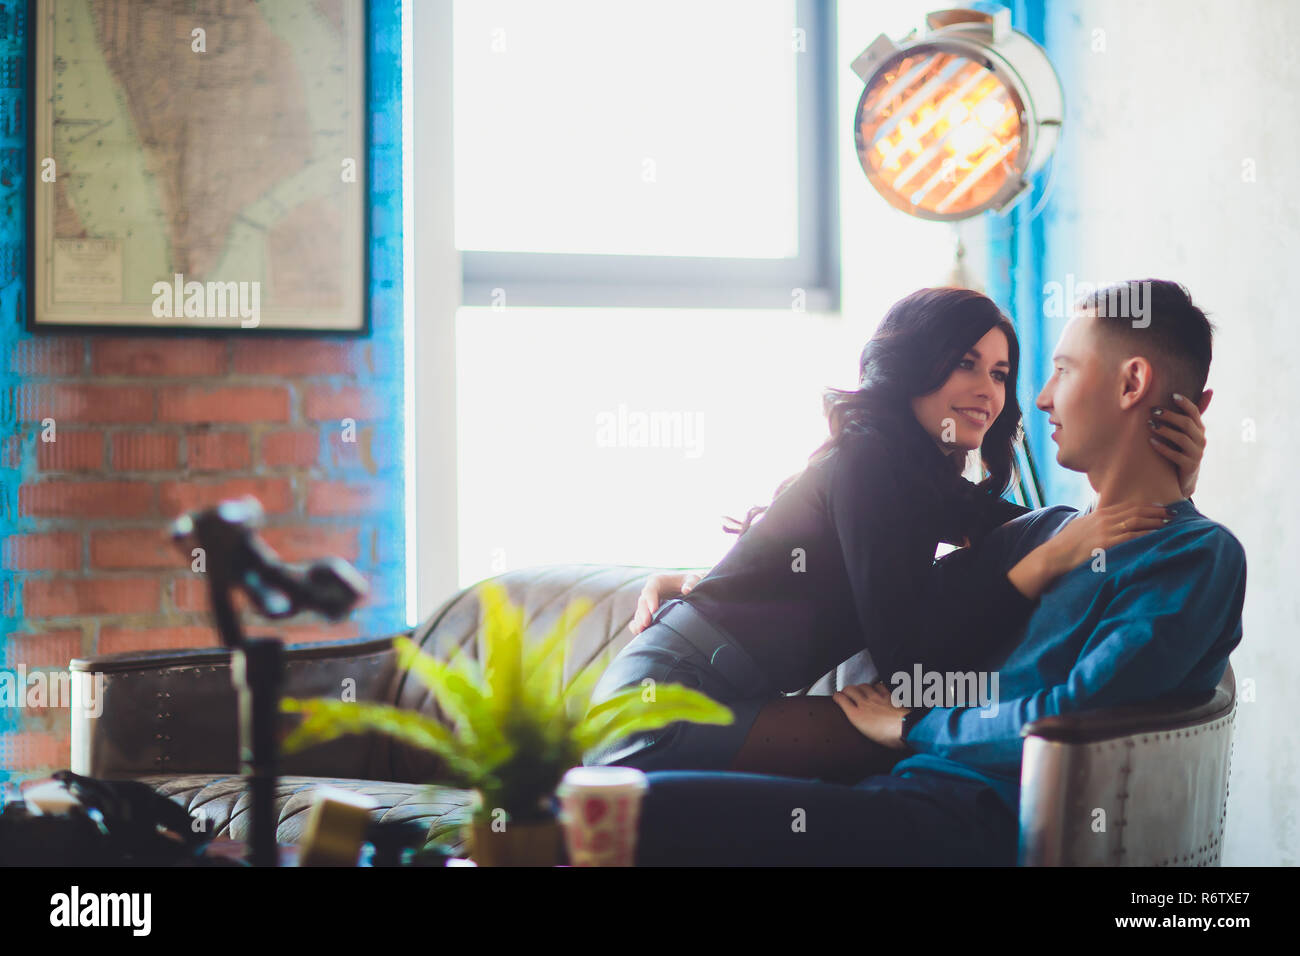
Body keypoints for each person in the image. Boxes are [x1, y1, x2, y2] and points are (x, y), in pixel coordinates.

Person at [630, 279, 1245, 866]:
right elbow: (899, 599)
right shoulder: (1046, 531)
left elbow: (1081, 719)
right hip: (898, 792)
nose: (1037, 397)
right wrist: (701, 585)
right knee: (627, 810)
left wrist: (913, 724)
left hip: (960, 819)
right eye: (971, 365)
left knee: (638, 815)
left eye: (1062, 369)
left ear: (1132, 382)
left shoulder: (1198, 557)